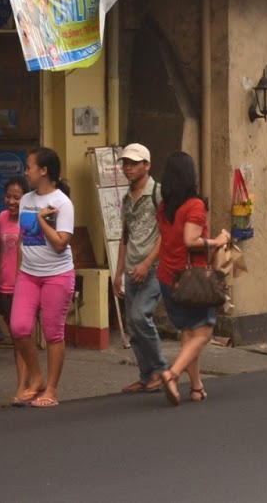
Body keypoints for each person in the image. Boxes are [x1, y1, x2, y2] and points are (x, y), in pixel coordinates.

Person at [156, 151, 230, 406]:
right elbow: (190, 241)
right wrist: (218, 241)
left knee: (189, 332)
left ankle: (196, 387)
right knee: (204, 332)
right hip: (192, 279)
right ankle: (172, 373)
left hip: (168, 277)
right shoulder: (195, 206)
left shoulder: (165, 207)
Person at [10, 147, 74, 409]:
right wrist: (18, 272)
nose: (26, 172)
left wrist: (41, 220)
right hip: (28, 274)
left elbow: (61, 244)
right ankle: (36, 378)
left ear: (44, 170)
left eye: (29, 167)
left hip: (57, 275)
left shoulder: (62, 203)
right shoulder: (25, 199)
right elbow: (22, 240)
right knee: (19, 327)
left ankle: (51, 389)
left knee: (52, 333)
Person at [111, 143, 166, 393]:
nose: (128, 168)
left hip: (154, 267)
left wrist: (146, 263)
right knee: (133, 328)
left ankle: (162, 370)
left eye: (133, 163)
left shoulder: (158, 193)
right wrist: (118, 272)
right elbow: (125, 236)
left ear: (147, 165)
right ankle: (146, 376)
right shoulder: (126, 197)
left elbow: (166, 234)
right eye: (125, 163)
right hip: (132, 268)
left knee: (139, 316)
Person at [0, 174, 35, 399]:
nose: (11, 201)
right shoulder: (0, 218)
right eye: (8, 196)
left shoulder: (30, 220)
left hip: (27, 286)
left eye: (16, 197)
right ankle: (27, 382)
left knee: (23, 337)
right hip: (5, 287)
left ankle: (23, 386)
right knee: (16, 339)